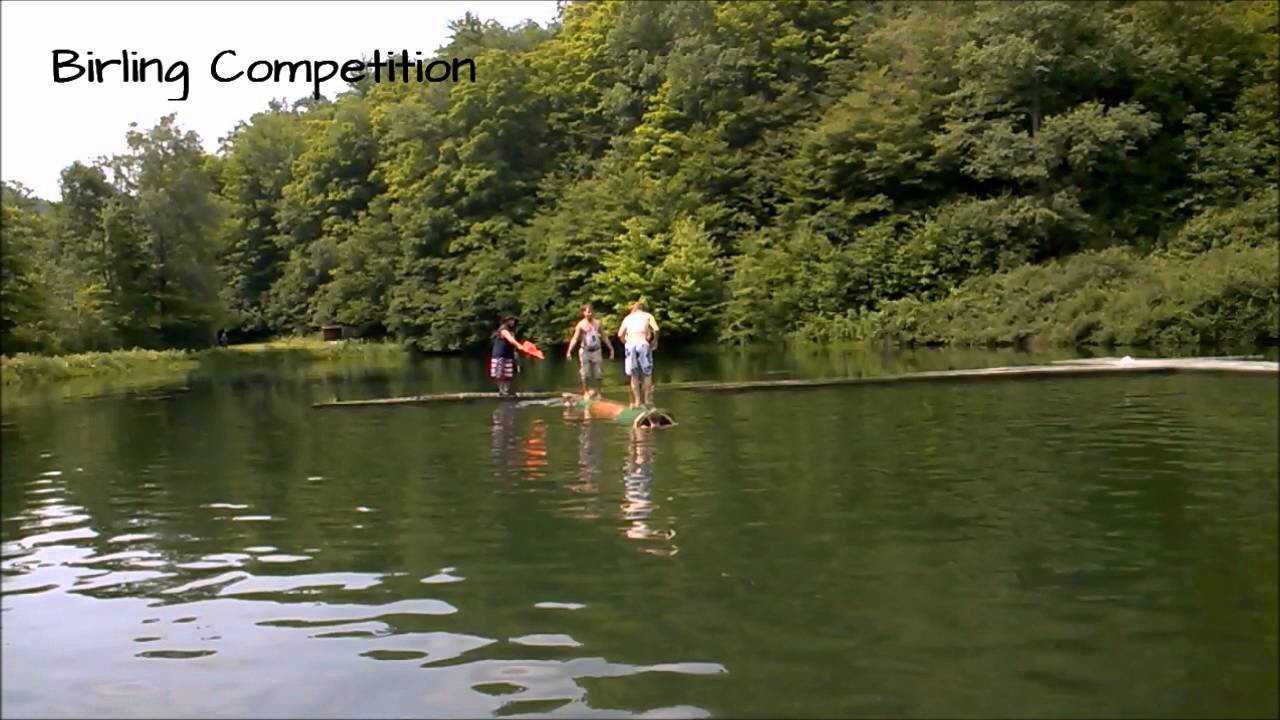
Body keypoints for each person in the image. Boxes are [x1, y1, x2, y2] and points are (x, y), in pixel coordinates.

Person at [565, 303, 614, 399]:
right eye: (588, 312)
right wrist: (569, 351)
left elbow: (604, 336)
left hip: (596, 350)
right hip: (585, 351)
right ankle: (586, 392)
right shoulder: (581, 325)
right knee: (585, 373)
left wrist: (611, 348)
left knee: (598, 373)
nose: (590, 314)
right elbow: (575, 338)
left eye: (591, 312)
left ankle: (599, 393)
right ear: (584, 313)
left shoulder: (598, 323)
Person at [617, 301, 659, 407]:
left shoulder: (628, 318)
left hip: (630, 344)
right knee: (647, 373)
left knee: (634, 375)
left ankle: (637, 402)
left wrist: (625, 343)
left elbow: (620, 334)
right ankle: (647, 401)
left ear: (633, 309)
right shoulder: (648, 316)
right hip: (642, 343)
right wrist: (655, 341)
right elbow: (656, 329)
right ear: (642, 309)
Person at [490, 315, 522, 397]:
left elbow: (512, 342)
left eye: (513, 320)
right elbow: (511, 340)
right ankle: (502, 390)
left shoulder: (512, 331)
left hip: (508, 355)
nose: (512, 322)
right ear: (506, 321)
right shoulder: (503, 329)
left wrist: (515, 353)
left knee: (508, 374)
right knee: (500, 374)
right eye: (510, 320)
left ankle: (507, 390)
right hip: (499, 354)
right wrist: (519, 345)